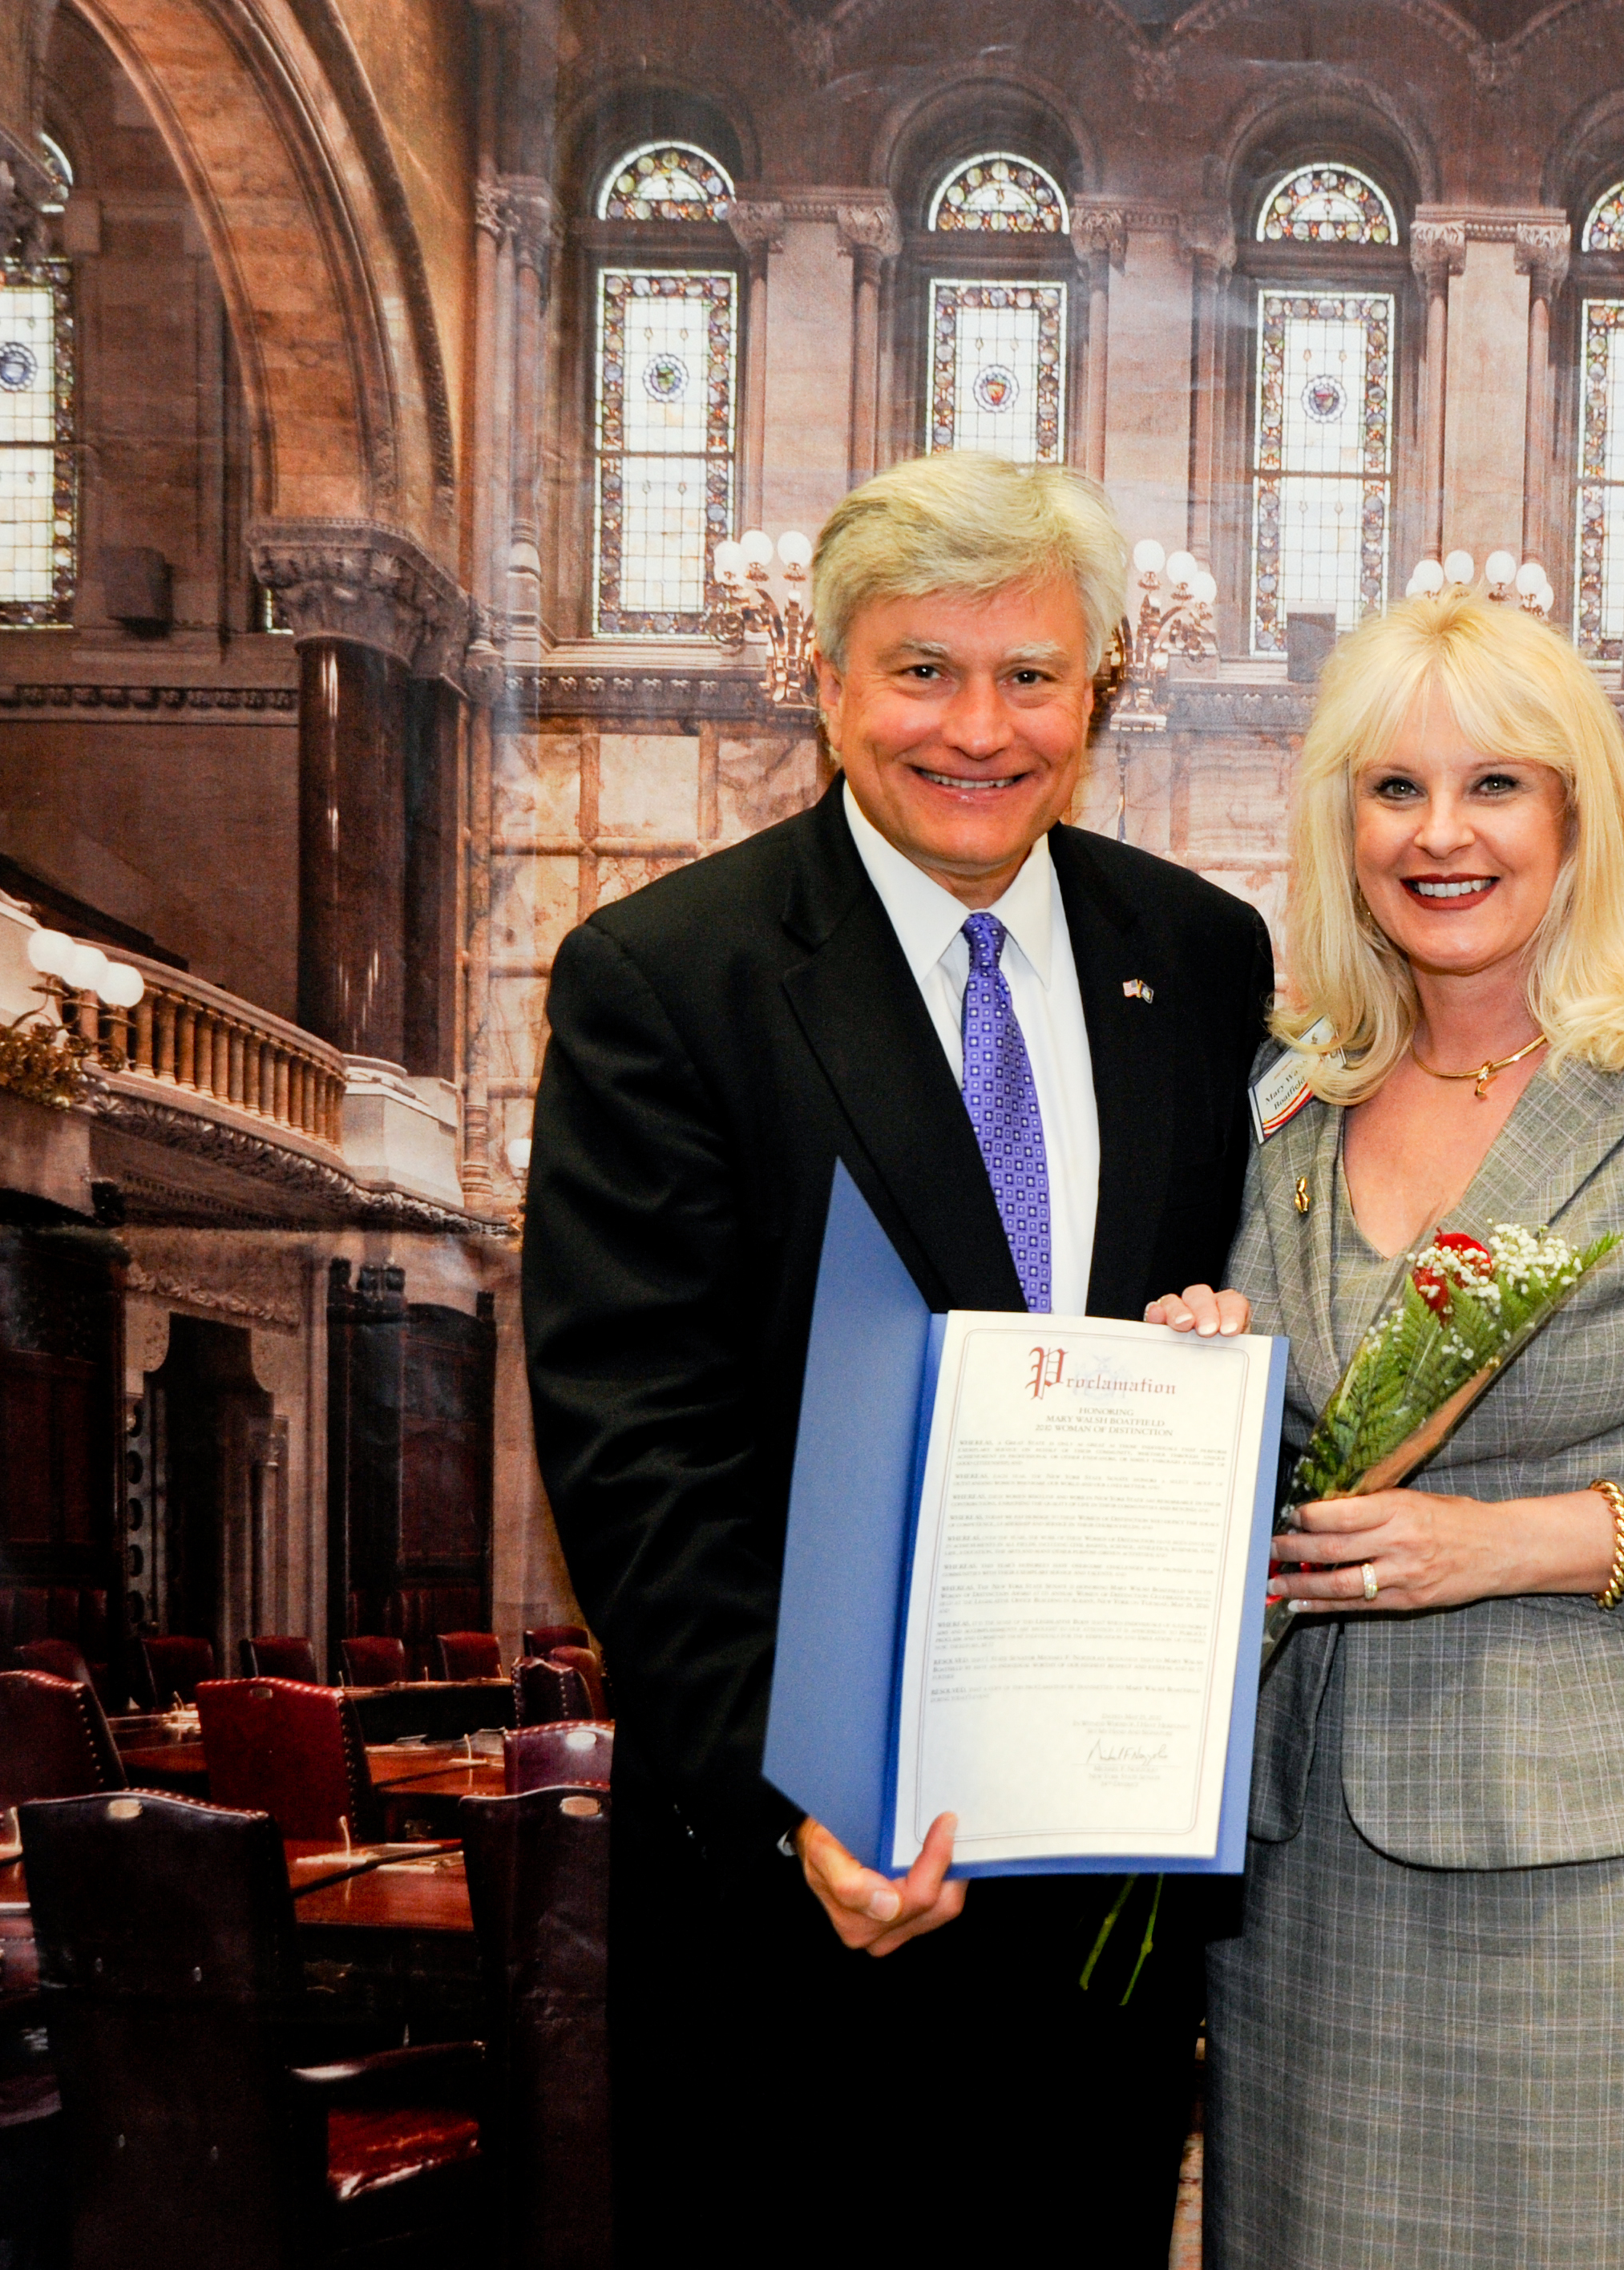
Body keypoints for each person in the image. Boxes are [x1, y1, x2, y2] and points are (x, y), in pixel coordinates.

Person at [522, 452, 1275, 2265]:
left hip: (1099, 1916)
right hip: (802, 1910)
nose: (979, 729)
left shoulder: (1198, 955)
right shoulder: (668, 976)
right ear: (828, 677)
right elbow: (636, 1445)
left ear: (1097, 690)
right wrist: (802, 1803)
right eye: (922, 669)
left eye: (1031, 675)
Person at [1147, 592, 1624, 2268]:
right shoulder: (1288, 1098)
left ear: (1573, 813)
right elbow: (1285, 1452)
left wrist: (1504, 1547)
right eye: (1393, 788)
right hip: (1304, 1864)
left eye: (1493, 784)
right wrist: (1203, 1373)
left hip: (1592, 1864)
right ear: (1343, 824)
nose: (1442, 834)